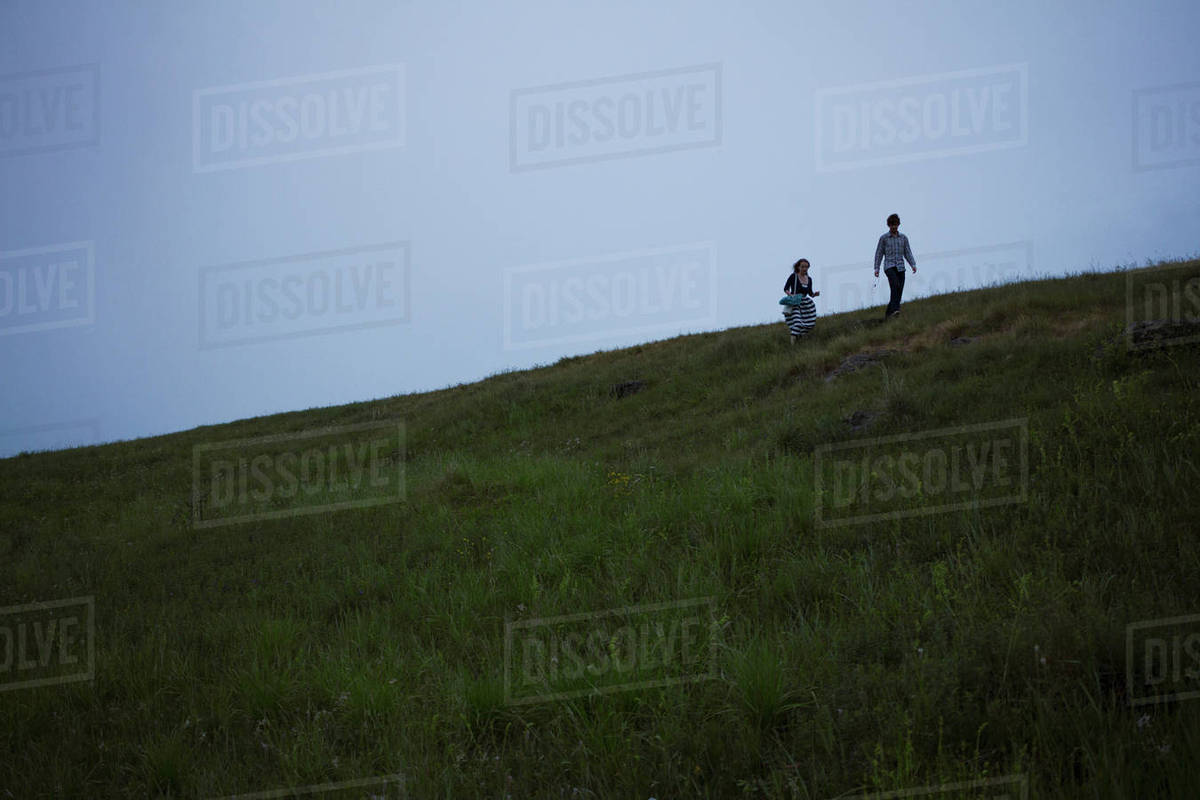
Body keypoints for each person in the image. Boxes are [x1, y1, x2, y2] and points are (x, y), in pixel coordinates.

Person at [874, 213, 917, 319]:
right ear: (889, 225)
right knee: (895, 285)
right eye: (892, 225)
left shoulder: (903, 238)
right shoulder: (884, 238)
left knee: (899, 290)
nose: (894, 227)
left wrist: (913, 264)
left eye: (895, 224)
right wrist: (876, 268)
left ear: (898, 224)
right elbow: (879, 253)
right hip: (889, 266)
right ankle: (896, 310)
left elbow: (907, 252)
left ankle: (889, 315)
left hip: (901, 267)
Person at [781, 258, 819, 343]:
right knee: (797, 323)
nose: (804, 269)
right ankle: (792, 345)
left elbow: (810, 293)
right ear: (798, 267)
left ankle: (799, 340)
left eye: (806, 267)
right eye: (802, 267)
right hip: (795, 303)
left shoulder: (809, 279)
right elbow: (786, 288)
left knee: (809, 323)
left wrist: (814, 294)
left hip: (806, 304)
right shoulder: (793, 276)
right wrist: (791, 295)